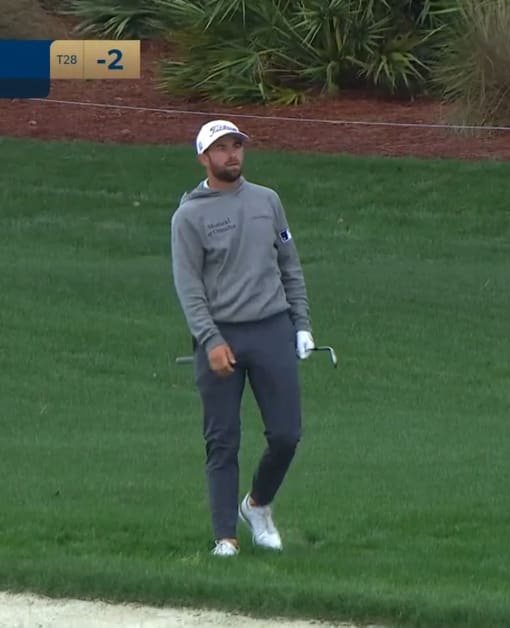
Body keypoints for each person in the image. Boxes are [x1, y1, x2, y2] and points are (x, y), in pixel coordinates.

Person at [170, 119, 316, 557]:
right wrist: (210, 340)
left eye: (236, 146)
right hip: (222, 337)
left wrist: (302, 323)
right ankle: (225, 537)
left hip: (272, 326)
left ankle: (256, 505)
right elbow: (189, 288)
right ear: (204, 158)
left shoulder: (267, 201)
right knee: (223, 440)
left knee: (287, 434)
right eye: (221, 148)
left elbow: (289, 264)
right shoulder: (189, 215)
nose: (232, 154)